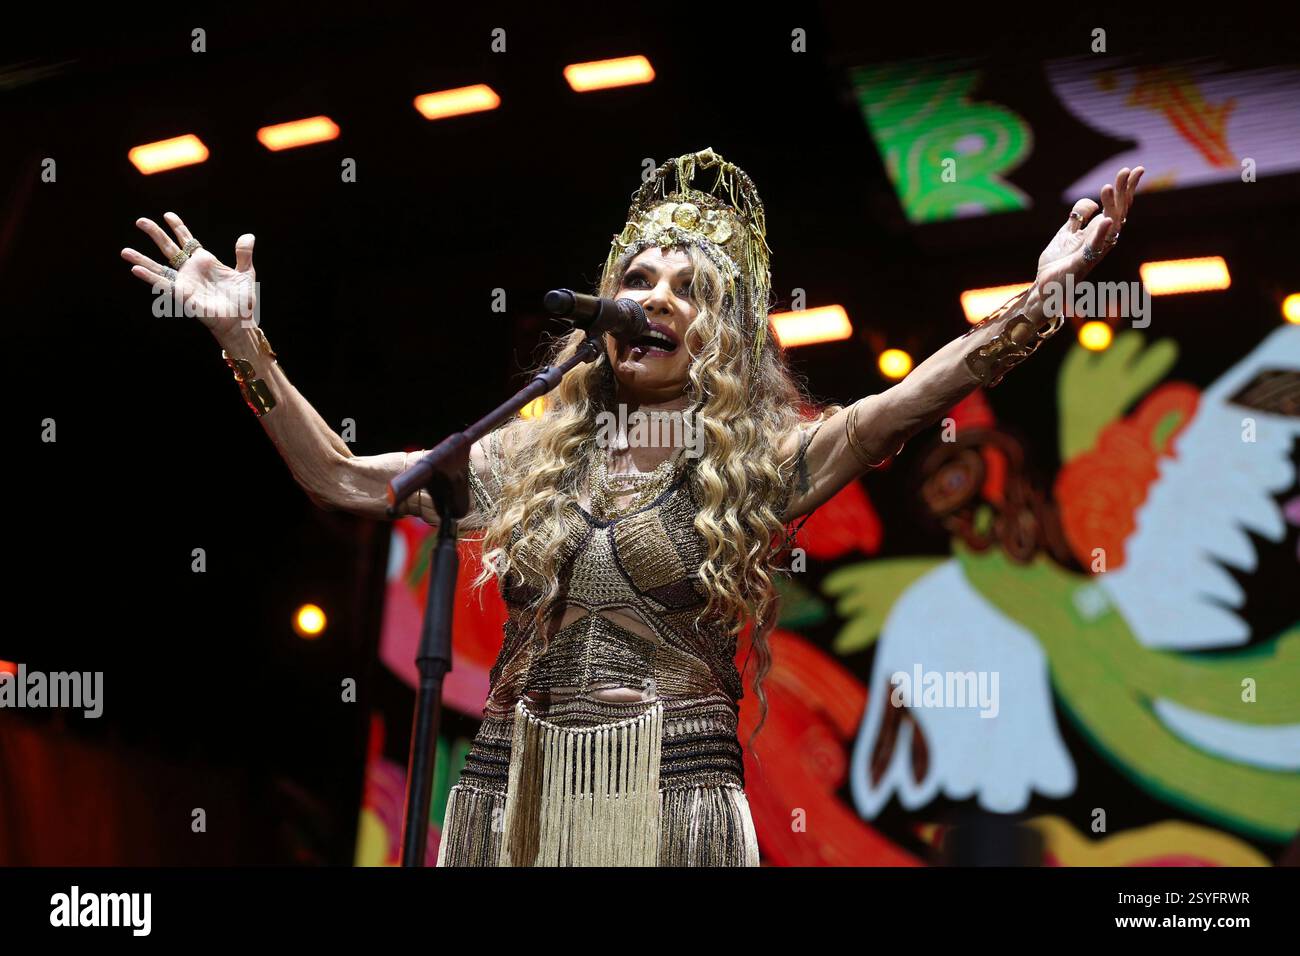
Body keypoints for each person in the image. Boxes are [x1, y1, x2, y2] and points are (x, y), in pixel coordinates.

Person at [120, 147, 1143, 866]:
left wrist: (1045, 294)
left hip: (670, 800)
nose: (653, 296)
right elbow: (343, 478)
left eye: (685, 288)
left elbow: (913, 396)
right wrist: (243, 345)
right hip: (512, 789)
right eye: (638, 277)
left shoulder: (767, 458)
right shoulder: (529, 448)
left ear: (725, 334)